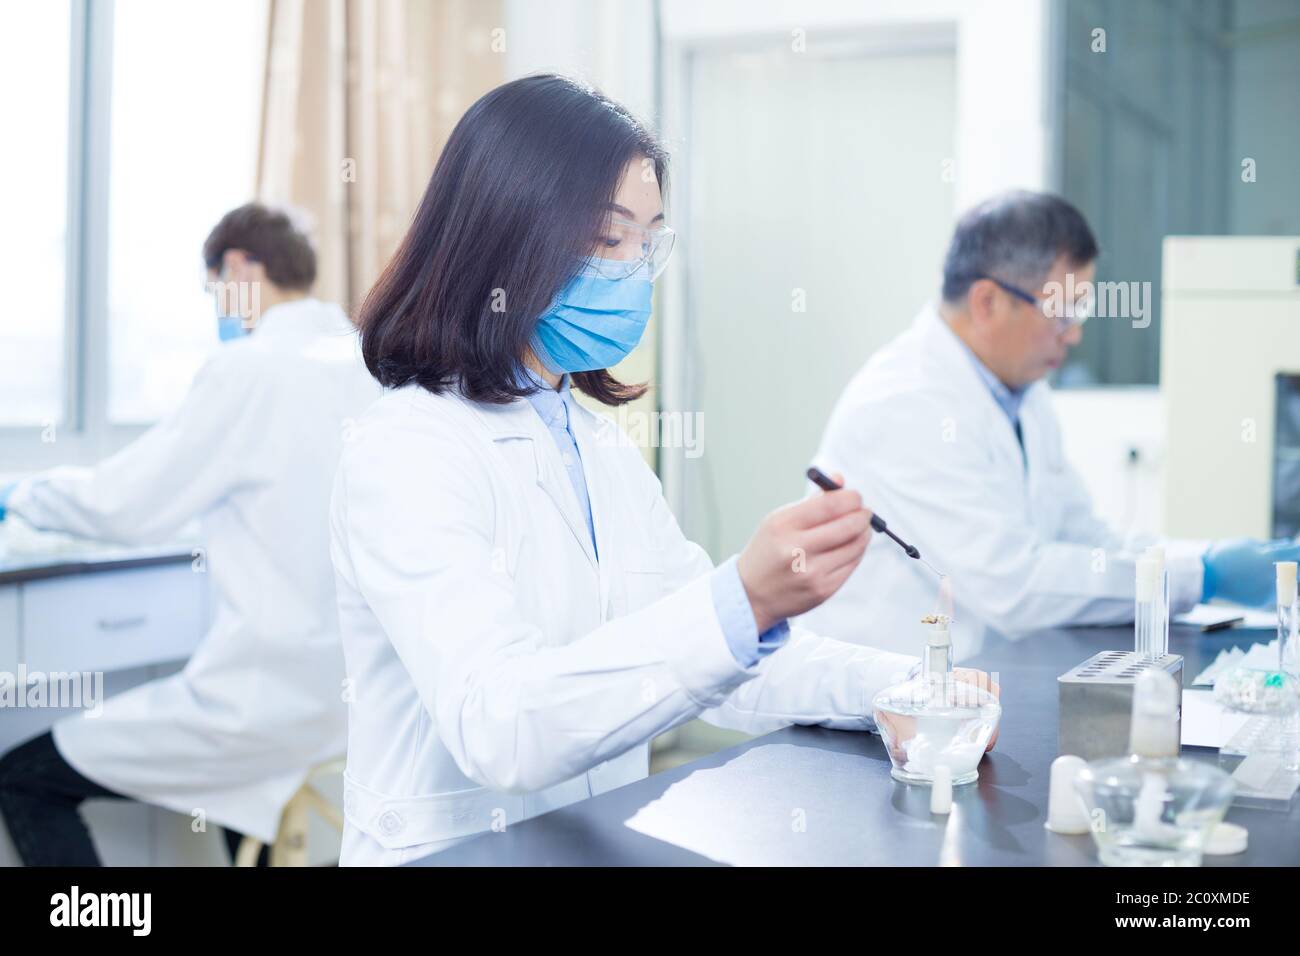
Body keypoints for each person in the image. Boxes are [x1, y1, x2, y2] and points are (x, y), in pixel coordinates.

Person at [330, 74, 998, 866]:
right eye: (609, 238)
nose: (634, 270)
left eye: (647, 243)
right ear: (505, 234)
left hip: (591, 842)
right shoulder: (408, 449)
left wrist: (897, 686)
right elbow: (501, 726)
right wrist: (741, 599)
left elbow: (719, 663)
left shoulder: (594, 445)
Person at [0, 203, 381, 865]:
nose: (218, 311)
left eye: (214, 293)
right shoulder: (366, 362)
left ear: (237, 267)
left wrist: (18, 495)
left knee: (23, 777)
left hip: (265, 703)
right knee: (249, 794)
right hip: (353, 703)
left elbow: (124, 505)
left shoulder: (249, 369)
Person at [800, 191, 1300, 659]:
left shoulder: (1022, 394)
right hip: (866, 717)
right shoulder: (906, 401)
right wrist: (1202, 575)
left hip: (964, 692)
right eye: (1063, 311)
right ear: (988, 302)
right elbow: (1013, 583)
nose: (1076, 333)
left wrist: (1207, 556)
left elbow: (1083, 534)